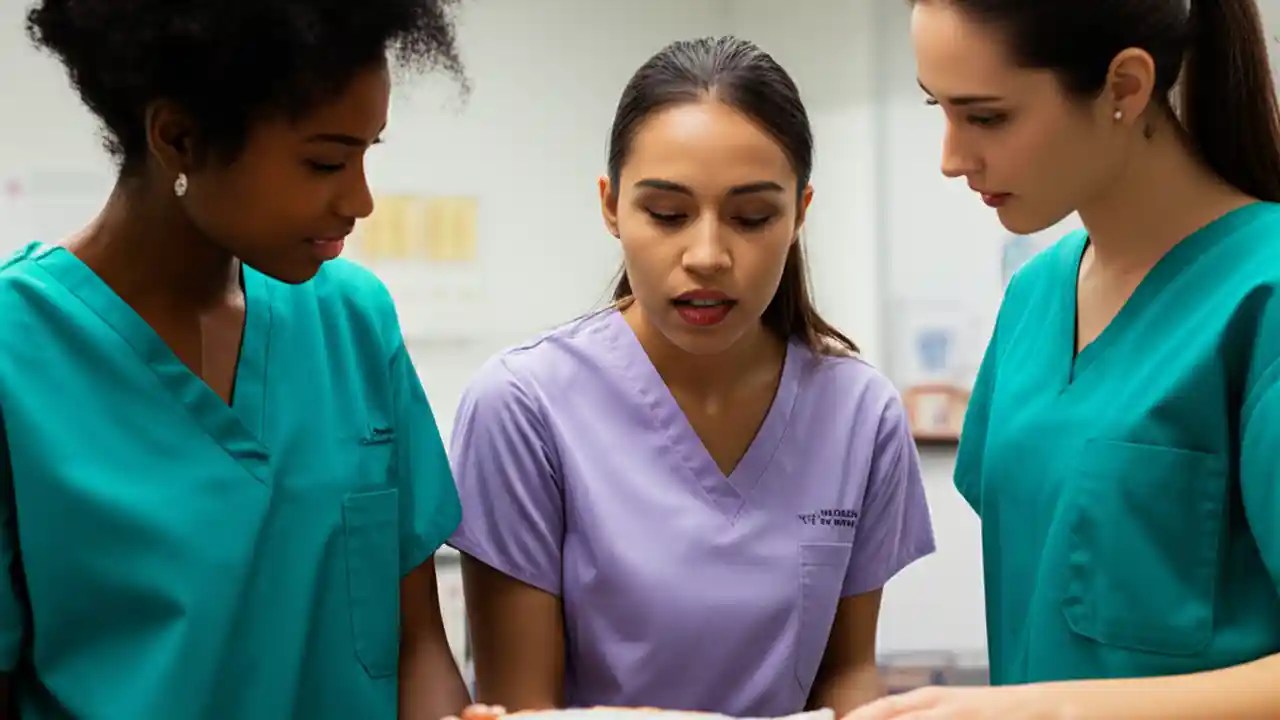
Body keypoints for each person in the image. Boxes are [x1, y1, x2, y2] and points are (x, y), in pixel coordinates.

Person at [0, 1, 472, 718]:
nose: (361, 199)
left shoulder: (350, 320)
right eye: (325, 162)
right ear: (178, 138)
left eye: (367, 153)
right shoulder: (18, 350)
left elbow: (416, 646)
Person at [446, 35, 936, 719]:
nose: (707, 255)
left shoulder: (860, 413)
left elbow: (847, 674)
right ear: (611, 205)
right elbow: (522, 705)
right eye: (668, 215)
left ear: (800, 213)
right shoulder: (525, 407)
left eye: (752, 217)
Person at [850, 1, 1280, 719]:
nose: (952, 158)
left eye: (985, 117)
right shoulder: (1034, 299)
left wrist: (1040, 711)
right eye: (939, 109)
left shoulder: (1261, 296)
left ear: (1124, 87)